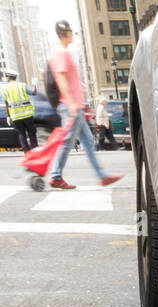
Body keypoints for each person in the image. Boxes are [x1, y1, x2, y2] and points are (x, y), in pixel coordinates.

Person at [47, 20, 119, 190]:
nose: (72, 33)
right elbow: (62, 80)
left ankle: (102, 176)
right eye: (71, 30)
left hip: (75, 106)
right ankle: (56, 176)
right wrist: (72, 103)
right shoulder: (62, 53)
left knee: (87, 141)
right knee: (67, 142)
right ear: (65, 32)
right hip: (71, 107)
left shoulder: (60, 52)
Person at [1, 71, 36, 151]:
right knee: (31, 133)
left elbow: (6, 103)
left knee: (22, 134)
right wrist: (34, 84)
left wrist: (8, 116)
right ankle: (35, 151)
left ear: (9, 78)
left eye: (6, 77)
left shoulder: (4, 89)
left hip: (15, 116)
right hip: (27, 115)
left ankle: (27, 153)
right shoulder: (22, 85)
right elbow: (34, 93)